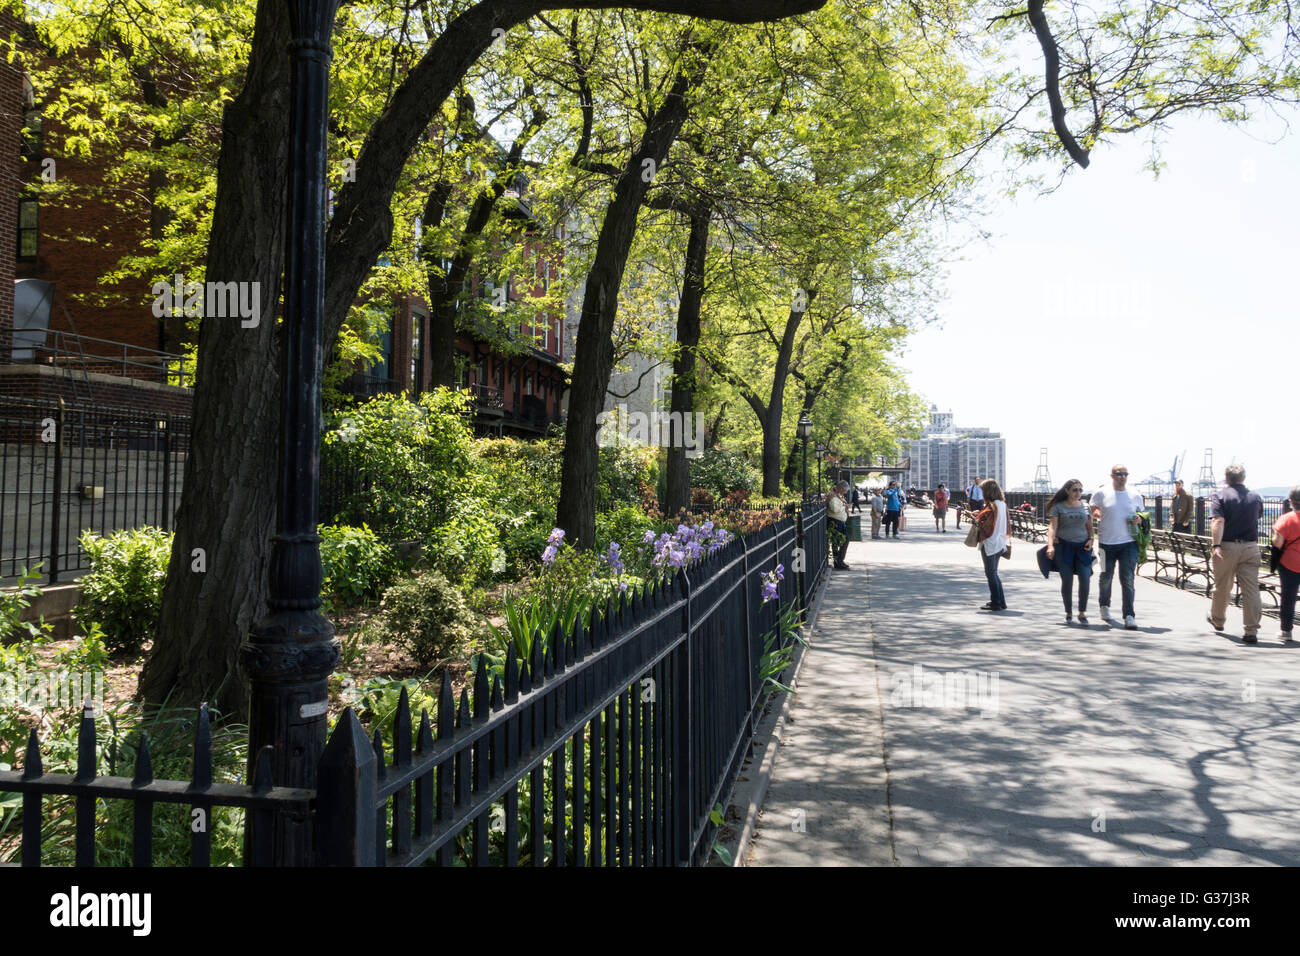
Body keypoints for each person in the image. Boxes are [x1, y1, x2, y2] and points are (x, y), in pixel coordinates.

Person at [1206, 464, 1263, 643]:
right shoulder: (1256, 497)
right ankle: (1251, 630)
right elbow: (1258, 517)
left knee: (1223, 585)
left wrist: (1216, 545)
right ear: (1243, 478)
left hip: (1228, 546)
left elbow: (1218, 521)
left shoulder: (1220, 496)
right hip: (1251, 547)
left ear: (1227, 478)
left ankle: (1218, 620)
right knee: (1251, 589)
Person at [1090, 464, 1145, 630]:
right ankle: (1104, 605)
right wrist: (1100, 515)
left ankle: (1129, 615)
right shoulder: (1101, 493)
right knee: (1106, 576)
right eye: (1119, 474)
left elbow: (1142, 515)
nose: (1122, 477)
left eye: (1125, 474)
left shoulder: (1135, 494)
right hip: (1106, 543)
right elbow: (1092, 509)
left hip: (1129, 543)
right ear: (1112, 475)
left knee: (1127, 578)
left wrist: (1139, 519)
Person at [1045, 479, 1095, 625]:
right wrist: (1050, 546)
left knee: (1085, 578)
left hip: (1083, 547)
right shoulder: (1058, 507)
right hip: (1064, 547)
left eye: (1080, 490)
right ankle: (1069, 611)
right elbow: (1052, 527)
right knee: (1067, 580)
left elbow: (1090, 527)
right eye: (1074, 490)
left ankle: (1082, 612)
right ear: (1067, 491)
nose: (1078, 493)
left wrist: (1091, 539)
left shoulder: (1085, 507)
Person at [973, 478, 1010, 610]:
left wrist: (976, 518)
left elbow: (984, 525)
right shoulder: (1002, 504)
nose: (982, 494)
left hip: (990, 543)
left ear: (988, 492)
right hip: (1000, 543)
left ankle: (996, 602)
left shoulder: (991, 506)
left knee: (991, 573)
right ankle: (1001, 601)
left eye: (983, 491)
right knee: (994, 573)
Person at [1271, 485, 1300, 643]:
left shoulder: (1285, 519)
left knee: (1288, 598)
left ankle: (1286, 631)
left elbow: (1278, 542)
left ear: (1292, 501)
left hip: (1290, 564)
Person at [827, 480, 851, 570]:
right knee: (842, 541)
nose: (846, 492)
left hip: (839, 521)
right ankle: (839, 561)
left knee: (838, 542)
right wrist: (845, 507)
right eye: (845, 490)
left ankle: (839, 561)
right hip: (835, 521)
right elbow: (834, 509)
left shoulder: (837, 496)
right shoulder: (833, 496)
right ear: (841, 488)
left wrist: (845, 507)